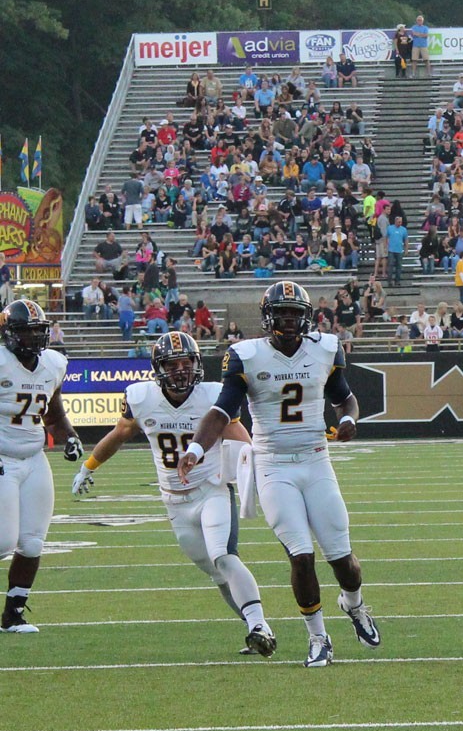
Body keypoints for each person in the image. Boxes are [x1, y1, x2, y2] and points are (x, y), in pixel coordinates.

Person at [178, 282, 377, 669]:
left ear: (305, 316)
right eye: (281, 312)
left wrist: (349, 417)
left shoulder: (325, 348)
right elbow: (223, 412)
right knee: (300, 556)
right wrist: (196, 448)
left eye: (293, 312)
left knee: (342, 559)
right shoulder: (246, 355)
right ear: (268, 317)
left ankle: (354, 604)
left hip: (317, 461)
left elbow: (343, 395)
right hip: (272, 464)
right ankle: (318, 636)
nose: (288, 319)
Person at [72, 332, 276, 657]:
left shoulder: (213, 395)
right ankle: (256, 629)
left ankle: (258, 625)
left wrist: (261, 471)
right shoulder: (141, 398)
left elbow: (241, 437)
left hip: (212, 490)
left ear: (196, 364)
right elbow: (120, 433)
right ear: (159, 368)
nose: (181, 370)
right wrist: (90, 465)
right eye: (173, 364)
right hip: (174, 501)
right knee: (216, 573)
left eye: (186, 363)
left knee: (224, 556)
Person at [0, 301, 82, 633]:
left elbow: (54, 412)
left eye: (38, 331)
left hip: (34, 457)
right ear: (8, 334)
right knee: (4, 541)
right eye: (25, 331)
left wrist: (70, 436)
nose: (34, 338)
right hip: (2, 456)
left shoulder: (52, 364)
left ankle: (13, 614)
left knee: (32, 541)